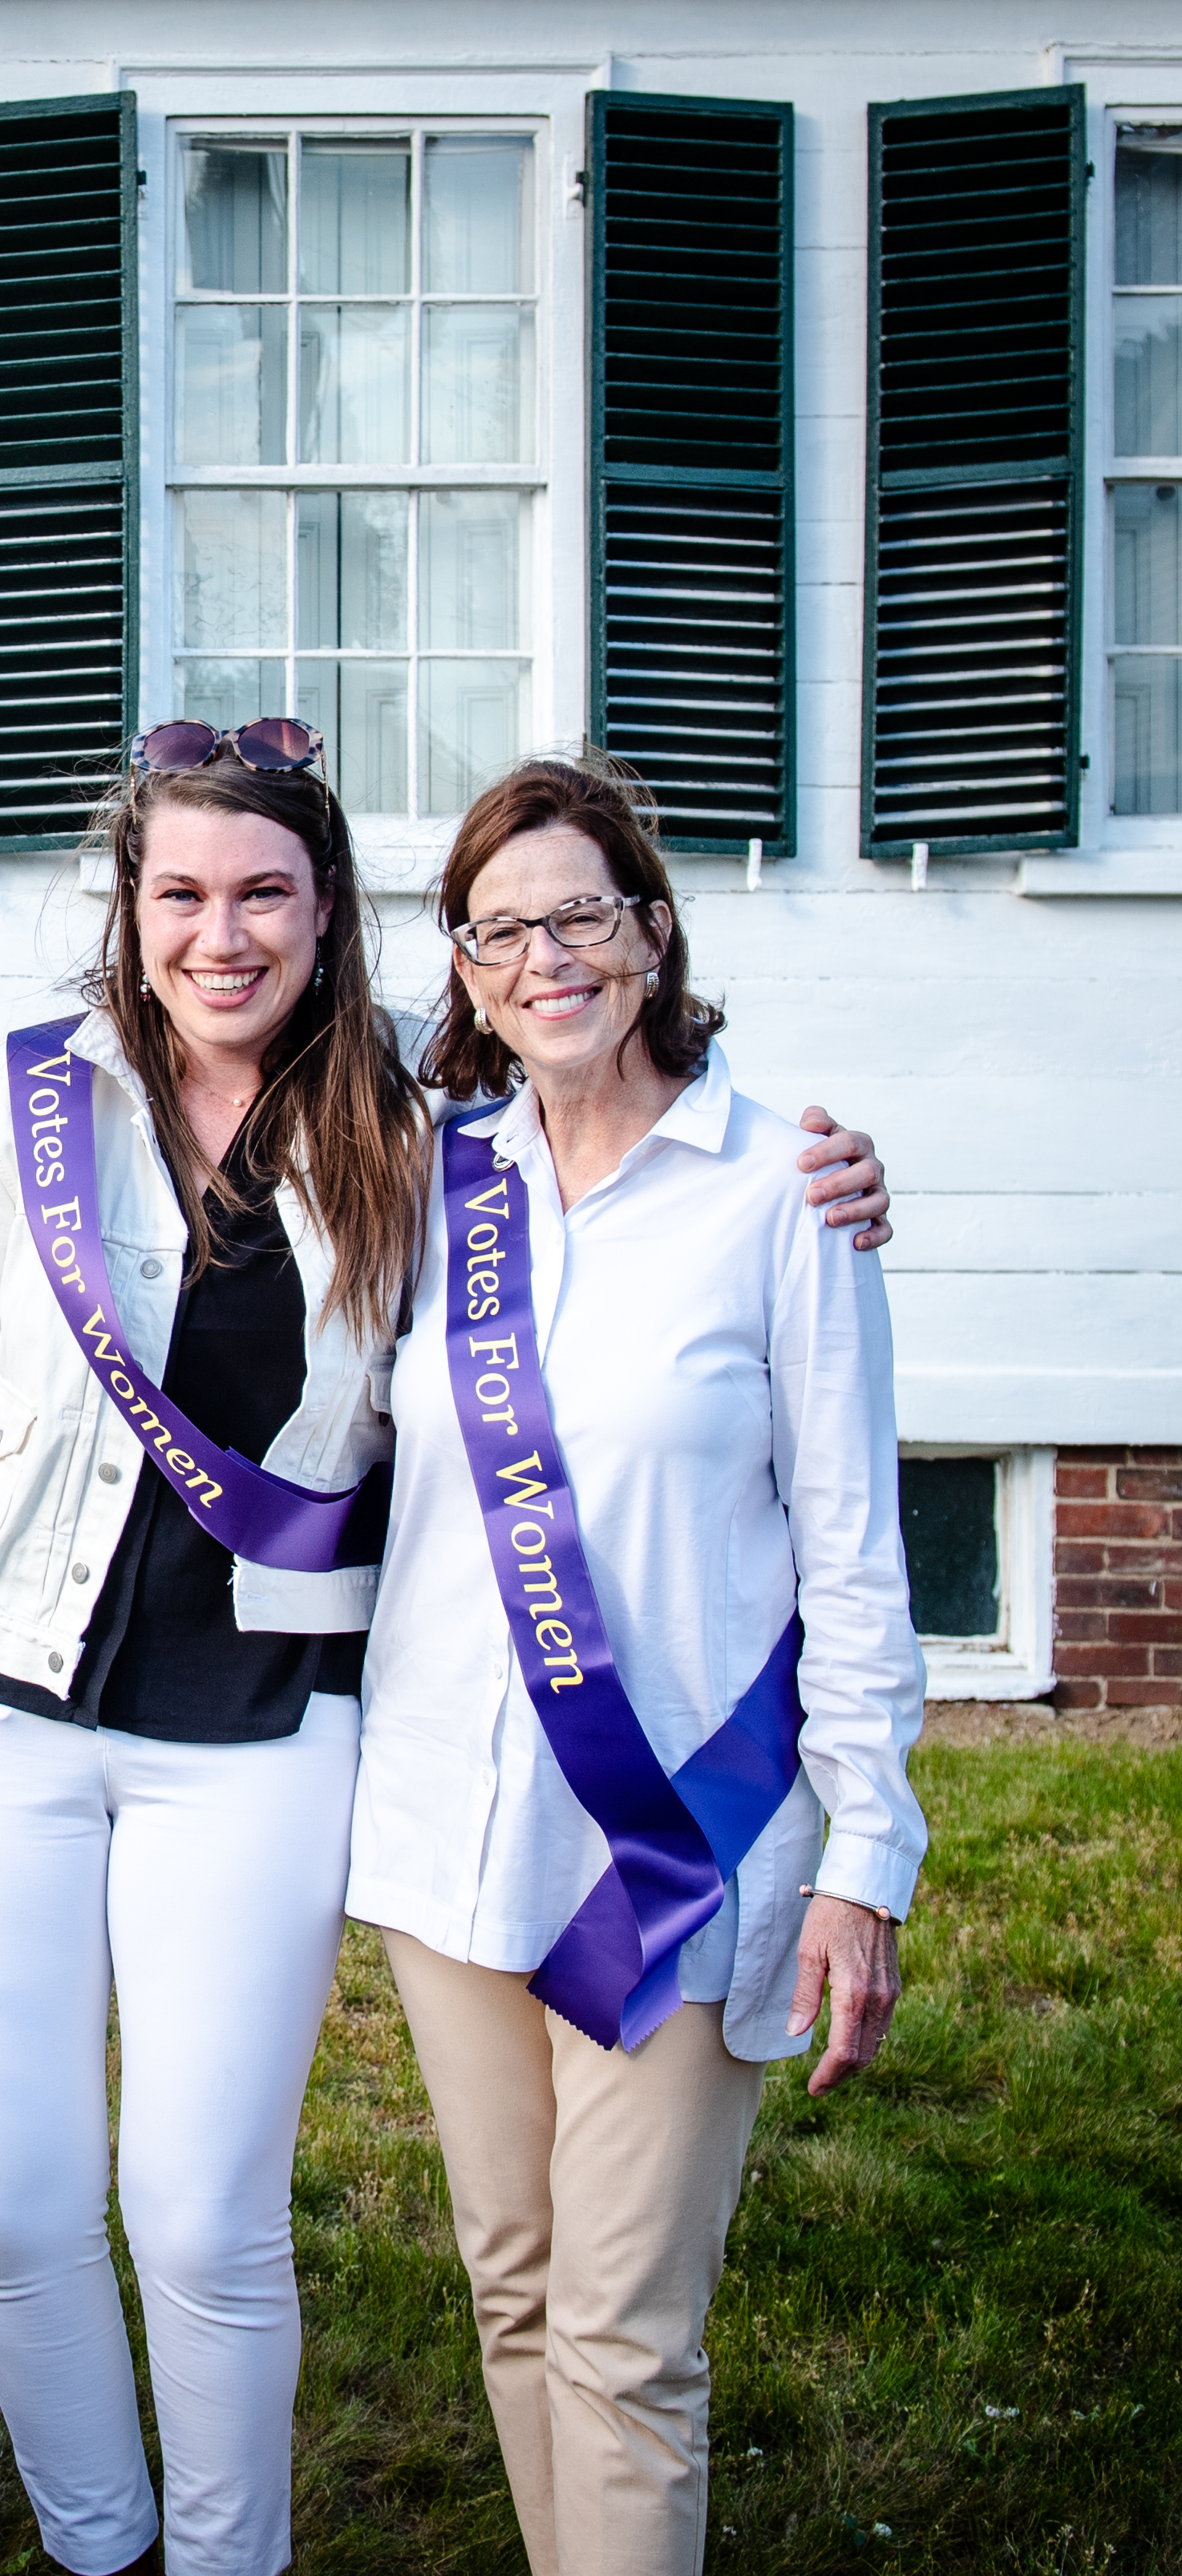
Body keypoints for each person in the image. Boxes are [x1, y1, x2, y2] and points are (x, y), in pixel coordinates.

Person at [0, 722, 894, 2576]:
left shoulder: (420, 1128)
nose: (218, 932)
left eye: (263, 893)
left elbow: (636, 1180)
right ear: (129, 907)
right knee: (16, 2206)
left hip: (261, 1722)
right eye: (179, 893)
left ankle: (228, 2559)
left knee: (199, 2213)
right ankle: (95, 2543)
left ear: (328, 916)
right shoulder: (28, 1095)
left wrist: (835, 1187)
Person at [346, 754, 927, 2576]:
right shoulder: (431, 1184)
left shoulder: (783, 1192)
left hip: (676, 1841)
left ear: (652, 931)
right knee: (514, 2287)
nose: (546, 959)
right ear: (462, 967)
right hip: (450, 1834)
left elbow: (850, 1547)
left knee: (621, 2331)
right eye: (498, 930)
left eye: (580, 916)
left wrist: (864, 1859)